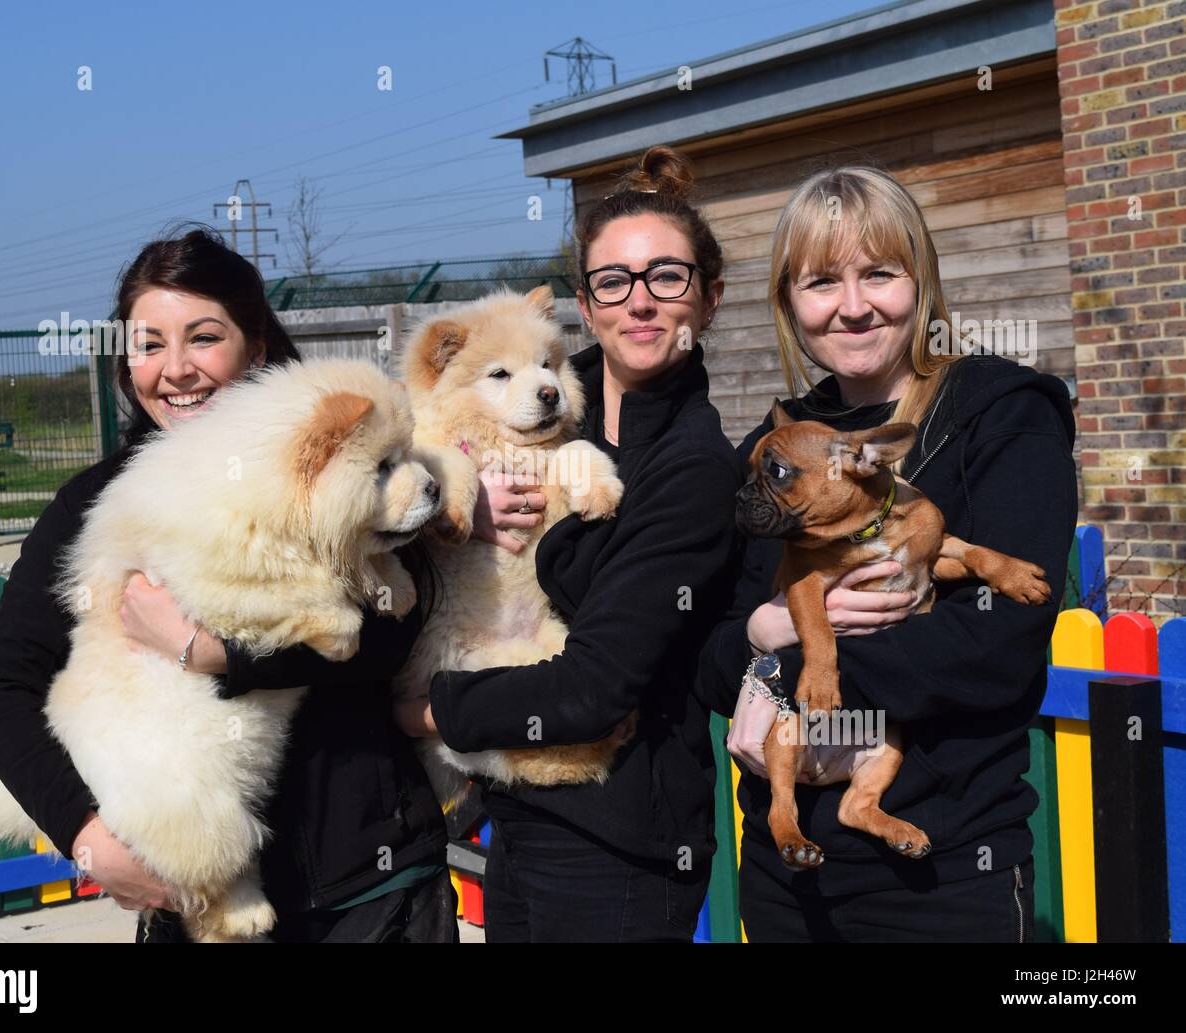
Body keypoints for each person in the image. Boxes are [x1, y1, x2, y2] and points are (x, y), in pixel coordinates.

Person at [0, 227, 457, 943]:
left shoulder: (341, 458)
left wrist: (211, 650)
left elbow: (393, 630)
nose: (176, 368)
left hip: (373, 889)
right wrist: (90, 838)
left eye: (203, 337)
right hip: (197, 905)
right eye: (150, 343)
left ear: (255, 346)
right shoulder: (96, 504)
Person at [695, 166, 1078, 942]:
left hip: (942, 871)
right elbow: (706, 657)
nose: (854, 304)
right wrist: (767, 637)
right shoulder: (777, 453)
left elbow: (997, 645)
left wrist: (806, 663)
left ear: (921, 281)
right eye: (821, 281)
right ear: (790, 305)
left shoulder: (1000, 415)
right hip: (782, 868)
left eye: (879, 273)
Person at [393, 146, 743, 942]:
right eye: (615, 282)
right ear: (586, 306)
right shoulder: (550, 394)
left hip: (618, 837)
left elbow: (592, 688)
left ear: (710, 299)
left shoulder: (691, 468)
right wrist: (456, 505)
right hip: (512, 821)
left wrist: (417, 715)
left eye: (669, 277)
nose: (641, 303)